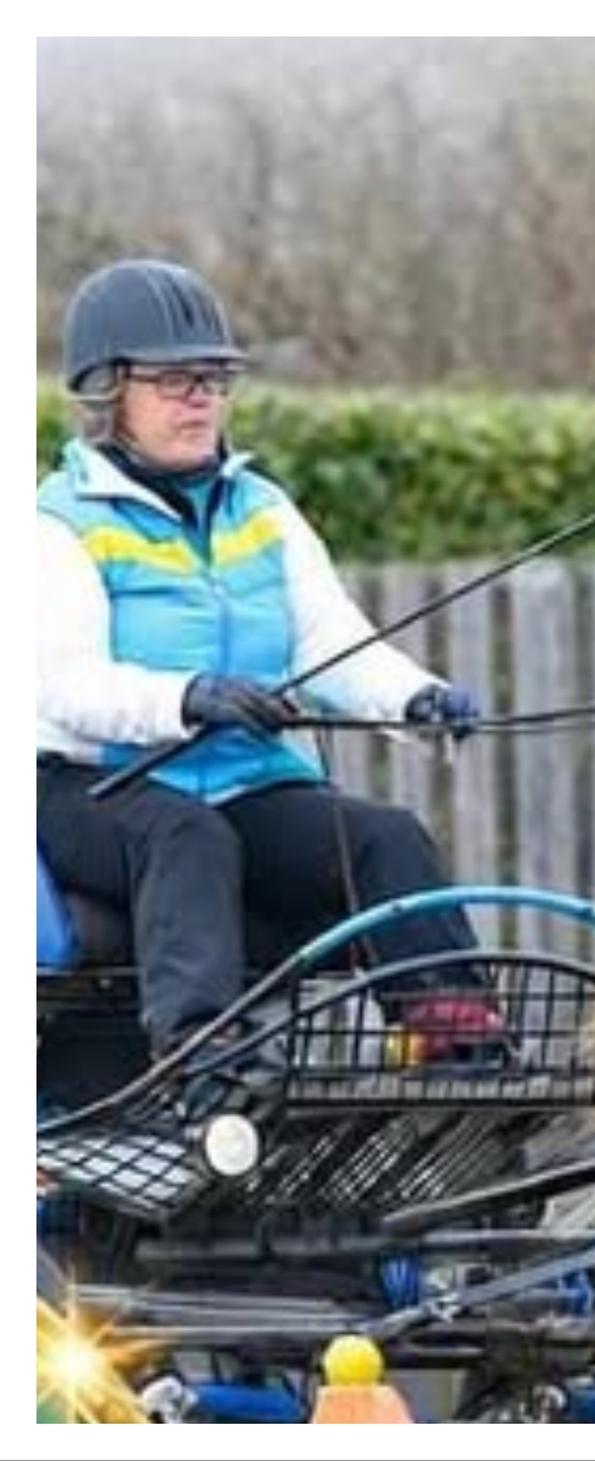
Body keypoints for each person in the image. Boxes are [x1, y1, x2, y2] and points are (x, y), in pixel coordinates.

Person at [37, 258, 500, 1060]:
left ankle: (460, 1050)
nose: (201, 398)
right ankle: (204, 1062)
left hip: (243, 781)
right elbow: (67, 684)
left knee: (385, 837)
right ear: (109, 392)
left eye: (215, 379)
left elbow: (328, 642)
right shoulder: (54, 522)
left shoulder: (263, 510)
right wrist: (188, 696)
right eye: (174, 379)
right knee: (186, 837)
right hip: (92, 785)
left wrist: (416, 699)